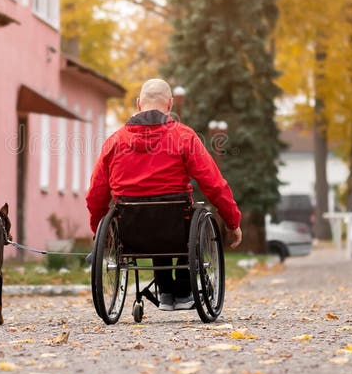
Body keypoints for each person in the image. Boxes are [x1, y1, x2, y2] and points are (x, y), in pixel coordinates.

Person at [86, 78, 242, 310]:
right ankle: (181, 291)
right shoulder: (184, 137)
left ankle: (167, 292)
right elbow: (214, 185)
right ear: (169, 104)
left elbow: (96, 194)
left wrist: (100, 230)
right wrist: (232, 221)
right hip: (177, 228)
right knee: (182, 215)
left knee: (153, 217)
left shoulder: (115, 141)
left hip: (131, 230)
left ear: (139, 104)